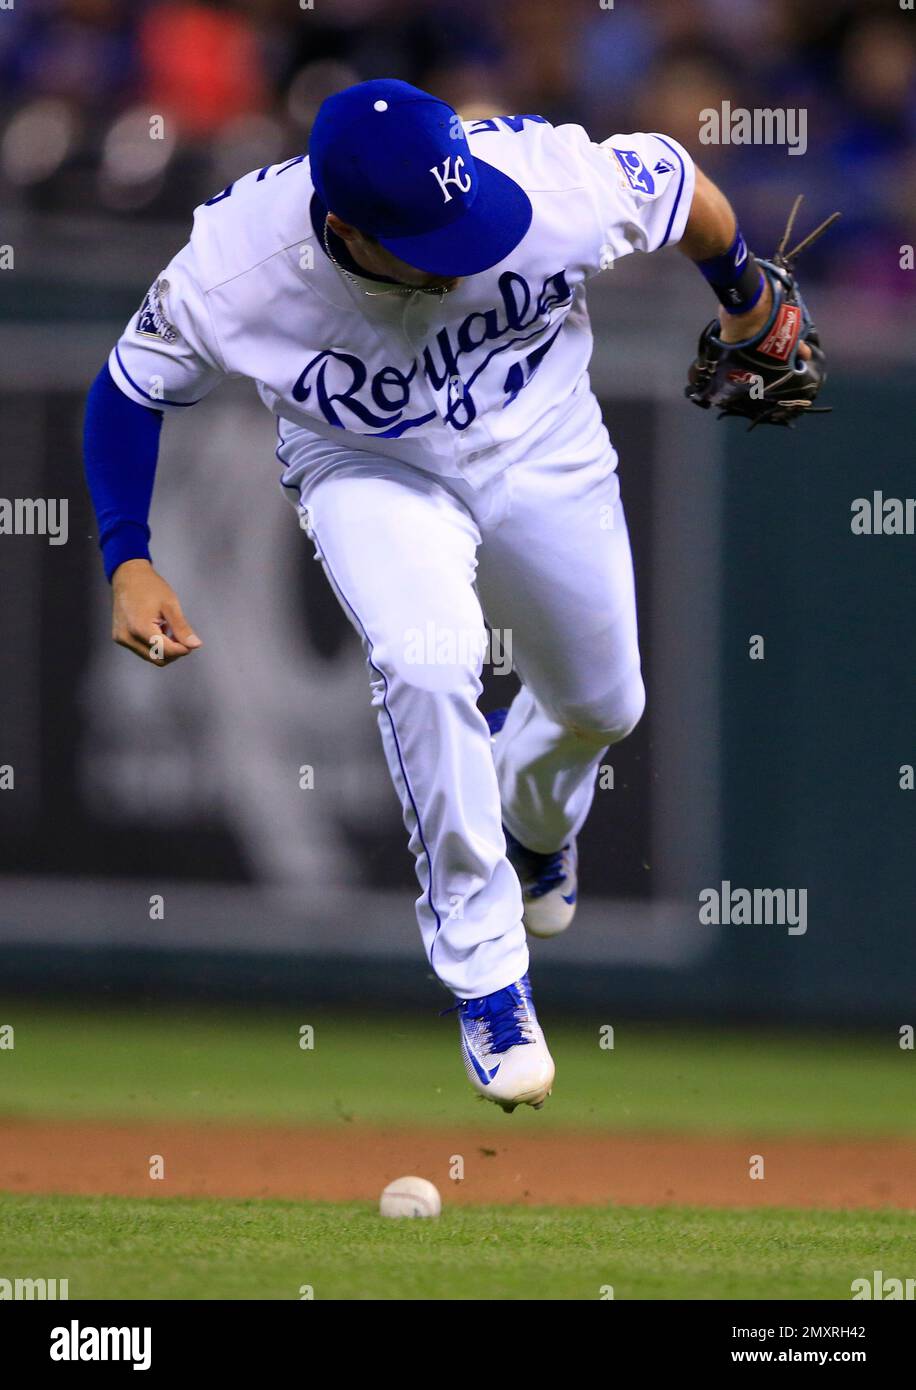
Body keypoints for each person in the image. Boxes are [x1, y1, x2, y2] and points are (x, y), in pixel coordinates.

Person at [83, 78, 817, 1113]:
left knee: (605, 706)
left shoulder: (539, 182)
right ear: (346, 227)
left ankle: (532, 825)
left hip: (544, 440)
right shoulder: (236, 266)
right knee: (428, 663)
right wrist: (129, 555)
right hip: (369, 469)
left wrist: (743, 293)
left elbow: (680, 184)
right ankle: (488, 981)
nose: (463, 239)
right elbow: (128, 388)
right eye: (428, 232)